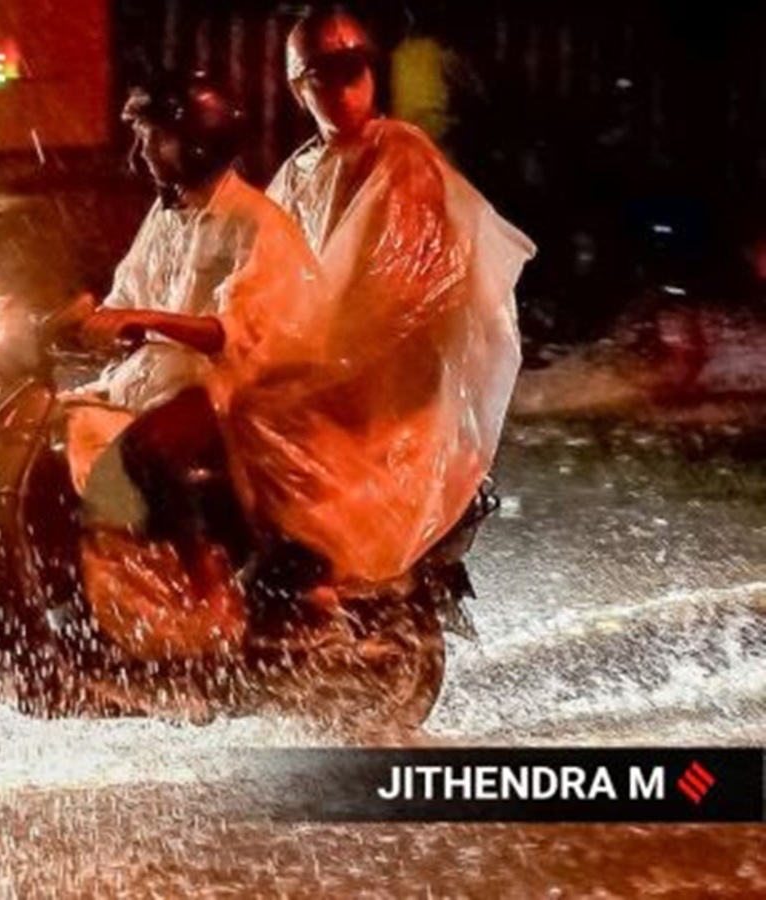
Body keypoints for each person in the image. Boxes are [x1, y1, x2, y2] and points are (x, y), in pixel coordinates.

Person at [244, 8, 535, 589]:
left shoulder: (402, 157)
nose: (342, 90)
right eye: (324, 78)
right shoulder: (300, 171)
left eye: (353, 73)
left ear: (372, 75)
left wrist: (303, 353)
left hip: (386, 390)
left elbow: (395, 294)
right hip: (321, 367)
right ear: (299, 87)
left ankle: (312, 577)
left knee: (257, 411)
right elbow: (256, 266)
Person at [62, 73, 326, 654]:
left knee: (148, 450)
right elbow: (127, 296)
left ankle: (208, 589)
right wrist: (80, 318)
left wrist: (144, 319)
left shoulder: (255, 222)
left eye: (154, 138)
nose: (141, 152)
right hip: (152, 379)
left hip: (231, 387)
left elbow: (236, 331)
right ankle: (103, 588)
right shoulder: (167, 215)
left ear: (197, 141)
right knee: (49, 429)